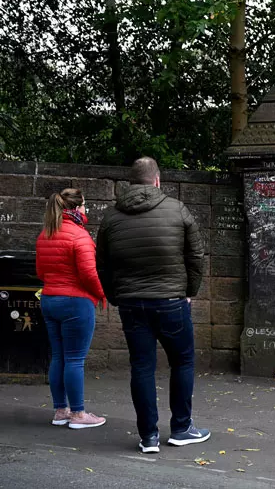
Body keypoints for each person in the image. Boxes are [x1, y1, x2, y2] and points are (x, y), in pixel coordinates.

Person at [97, 157, 207, 454]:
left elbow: (102, 265)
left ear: (130, 183)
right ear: (157, 181)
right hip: (171, 300)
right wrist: (190, 291)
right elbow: (196, 256)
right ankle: (182, 428)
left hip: (132, 303)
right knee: (182, 361)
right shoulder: (177, 209)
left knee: (142, 367)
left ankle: (148, 437)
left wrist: (116, 296)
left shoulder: (110, 217)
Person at [36, 188, 107, 429]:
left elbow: (40, 272)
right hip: (76, 302)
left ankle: (60, 410)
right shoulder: (80, 236)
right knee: (75, 359)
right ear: (76, 209)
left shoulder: (45, 234)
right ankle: (78, 415)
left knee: (58, 357)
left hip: (49, 299)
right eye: (84, 206)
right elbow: (89, 273)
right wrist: (101, 294)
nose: (86, 210)